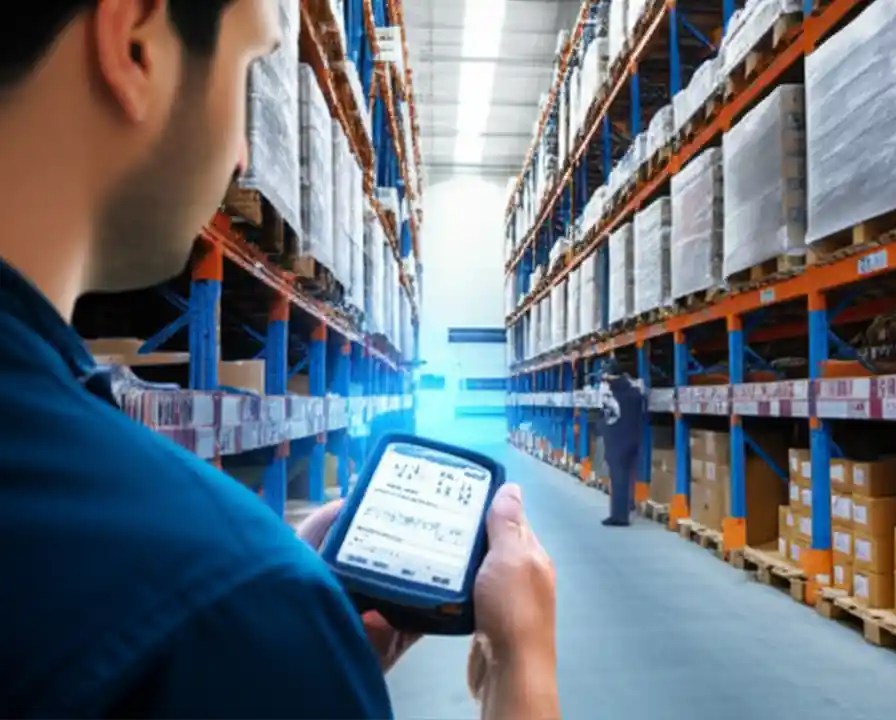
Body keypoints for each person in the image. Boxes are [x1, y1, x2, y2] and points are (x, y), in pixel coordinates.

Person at [0, 2, 557, 717]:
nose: (241, 156)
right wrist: (524, 674)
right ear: (135, 42)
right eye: (249, 63)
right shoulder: (235, 605)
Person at [597, 357, 647, 527]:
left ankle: (619, 517)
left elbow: (606, 416)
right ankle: (628, 506)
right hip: (632, 438)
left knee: (618, 478)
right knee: (627, 476)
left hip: (617, 440)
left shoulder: (610, 394)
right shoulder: (633, 392)